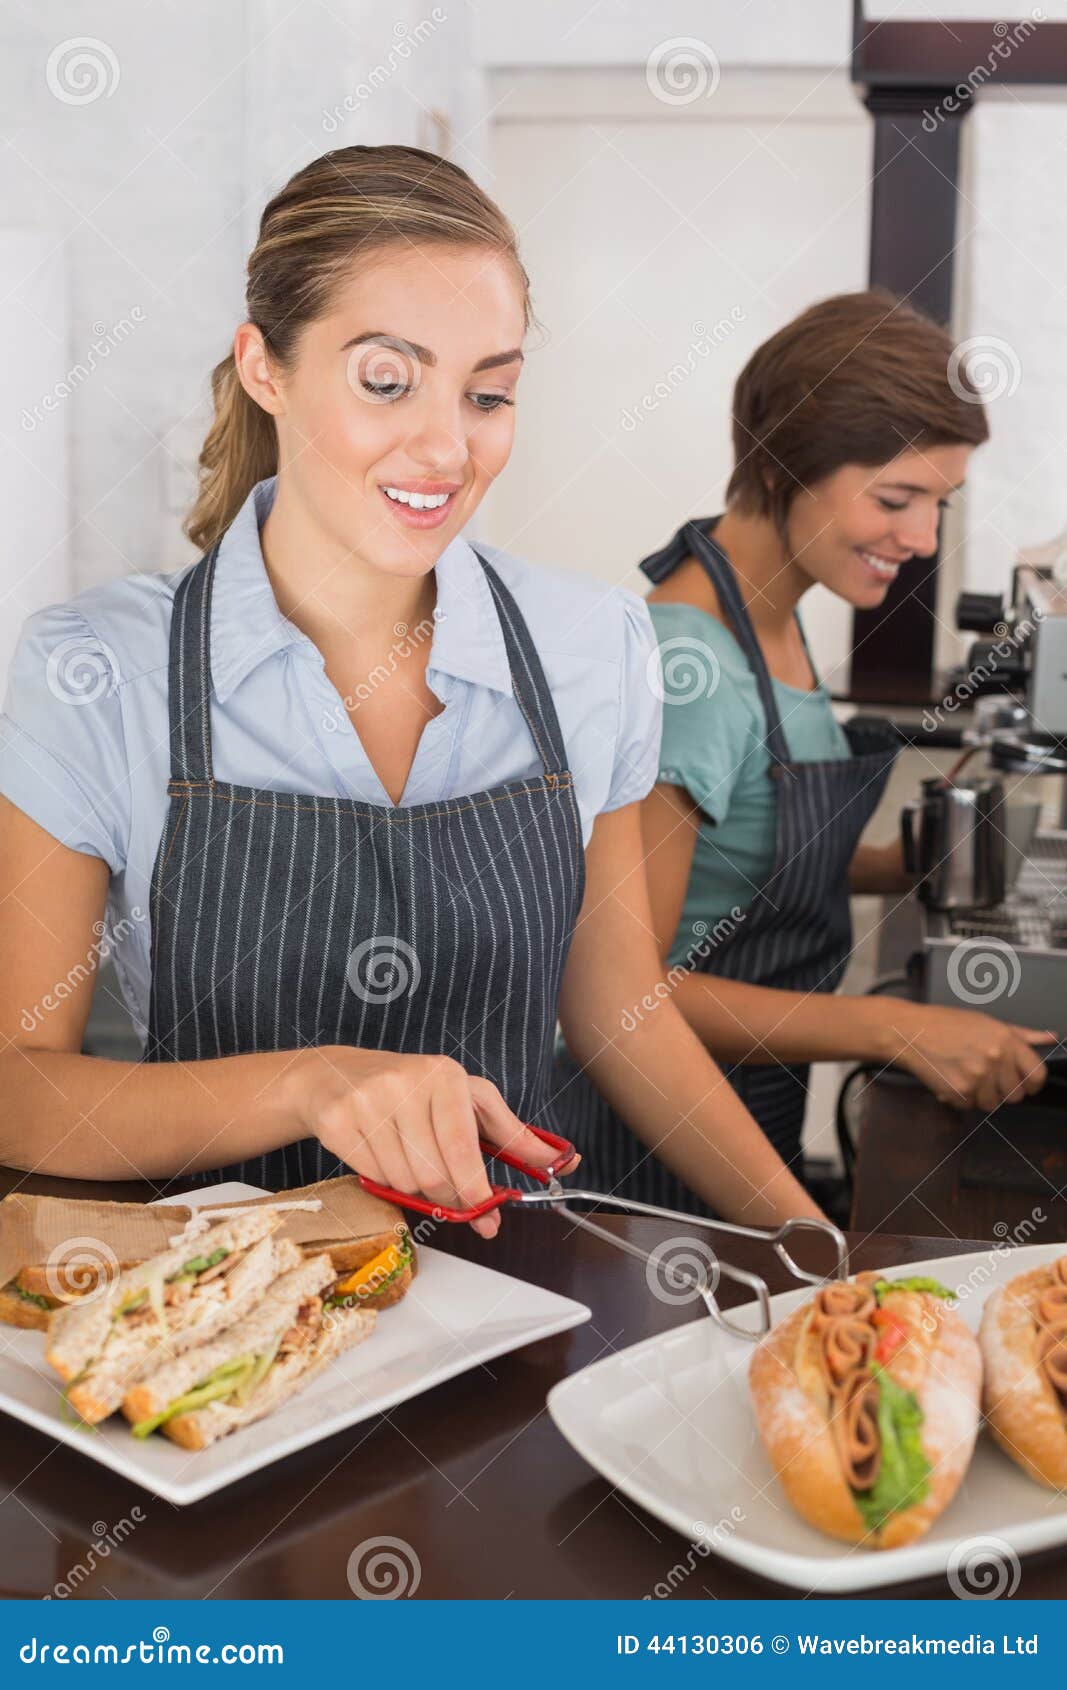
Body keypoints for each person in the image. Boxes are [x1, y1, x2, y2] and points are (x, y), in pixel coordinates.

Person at [0, 145, 823, 1235]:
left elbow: (616, 1011)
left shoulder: (592, 645)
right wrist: (310, 1084)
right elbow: (17, 1088)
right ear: (265, 368)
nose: (446, 446)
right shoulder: (96, 671)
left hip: (516, 1297)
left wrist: (815, 1244)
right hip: (226, 1326)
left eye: (488, 392)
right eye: (386, 380)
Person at [555, 290, 1050, 1215]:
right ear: (786, 468)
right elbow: (625, 998)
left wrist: (913, 862)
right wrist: (893, 1030)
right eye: (895, 500)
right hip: (652, 1141)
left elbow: (746, 861)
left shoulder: (773, 620)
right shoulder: (693, 662)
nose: (921, 540)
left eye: (938, 504)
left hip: (755, 1095)